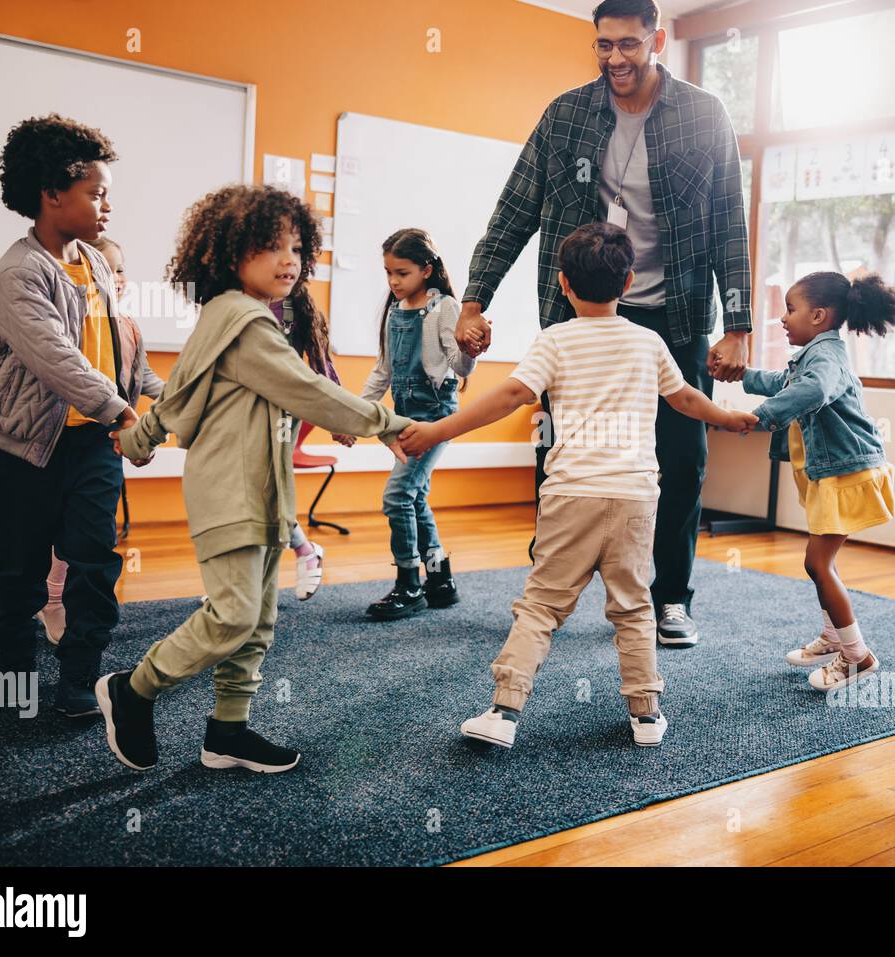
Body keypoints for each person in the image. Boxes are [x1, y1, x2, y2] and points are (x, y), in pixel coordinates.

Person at [454, 0, 754, 649]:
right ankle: (550, 589)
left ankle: (670, 597)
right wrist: (475, 298)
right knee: (559, 452)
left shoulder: (704, 116)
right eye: (603, 46)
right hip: (581, 312)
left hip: (671, 316)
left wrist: (738, 322)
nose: (615, 58)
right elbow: (513, 212)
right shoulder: (566, 115)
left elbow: (730, 220)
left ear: (658, 39)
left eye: (627, 44)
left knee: (681, 458)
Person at [399, 224, 756, 749]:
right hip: (636, 496)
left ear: (563, 284)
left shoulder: (555, 339)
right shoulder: (648, 340)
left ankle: (504, 712)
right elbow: (684, 400)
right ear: (629, 281)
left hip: (572, 495)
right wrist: (729, 418)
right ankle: (646, 716)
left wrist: (435, 429)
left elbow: (511, 396)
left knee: (541, 606)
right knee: (635, 608)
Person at [96, 185, 412, 773]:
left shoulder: (233, 318)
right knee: (235, 613)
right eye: (270, 247)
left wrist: (140, 438)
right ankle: (133, 689)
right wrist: (388, 422)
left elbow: (181, 398)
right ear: (229, 255)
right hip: (230, 490)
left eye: (295, 246)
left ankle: (227, 733)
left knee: (258, 618)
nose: (288, 259)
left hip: (263, 490)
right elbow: (310, 391)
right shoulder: (244, 324)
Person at [0, 114, 150, 718]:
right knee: (19, 570)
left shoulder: (94, 264)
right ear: (51, 196)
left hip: (91, 444)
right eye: (95, 193)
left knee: (95, 562)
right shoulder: (19, 273)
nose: (106, 206)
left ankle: (78, 678)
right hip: (24, 447)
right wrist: (125, 415)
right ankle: (15, 671)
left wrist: (152, 399)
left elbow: (111, 347)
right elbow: (58, 359)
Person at [741, 271, 895, 691]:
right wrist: (741, 375)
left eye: (790, 310)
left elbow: (813, 390)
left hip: (846, 473)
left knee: (818, 564)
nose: (782, 319)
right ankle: (834, 638)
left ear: (818, 315)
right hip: (833, 472)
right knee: (819, 565)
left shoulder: (826, 359)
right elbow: (787, 382)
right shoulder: (816, 352)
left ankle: (857, 656)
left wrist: (760, 417)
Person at [37, 235, 165, 644]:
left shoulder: (129, 327)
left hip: (104, 440)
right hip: (59, 437)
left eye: (121, 269)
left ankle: (64, 605)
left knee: (90, 535)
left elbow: (145, 381)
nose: (117, 278)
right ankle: (48, 601)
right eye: (106, 271)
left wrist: (190, 397)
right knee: (53, 531)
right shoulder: (68, 323)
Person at [361, 229, 476, 620]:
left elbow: (459, 366)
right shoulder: (395, 309)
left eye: (402, 273)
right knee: (415, 496)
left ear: (427, 270)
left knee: (397, 497)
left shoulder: (444, 308)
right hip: (404, 417)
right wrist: (357, 414)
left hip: (435, 417)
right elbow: (383, 371)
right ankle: (440, 579)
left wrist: (471, 351)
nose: (394, 282)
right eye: (389, 273)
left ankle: (409, 584)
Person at [268, 291, 351, 601]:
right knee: (240, 498)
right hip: (238, 415)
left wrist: (339, 421)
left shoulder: (292, 308)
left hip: (281, 418)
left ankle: (304, 550)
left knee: (268, 493)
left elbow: (322, 368)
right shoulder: (235, 301)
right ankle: (237, 585)